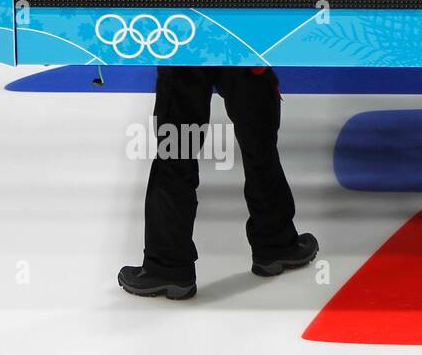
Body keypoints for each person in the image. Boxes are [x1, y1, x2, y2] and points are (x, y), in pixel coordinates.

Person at [118, 66, 318, 300]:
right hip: (243, 41)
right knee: (258, 143)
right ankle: (277, 243)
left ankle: (168, 266)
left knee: (177, 151)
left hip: (190, 41)